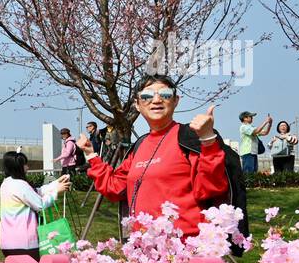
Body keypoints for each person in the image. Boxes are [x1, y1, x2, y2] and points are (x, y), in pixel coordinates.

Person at [77, 75, 231, 238]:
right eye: (146, 96)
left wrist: (207, 139)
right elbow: (114, 187)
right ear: (137, 104)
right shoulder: (139, 146)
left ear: (176, 100)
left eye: (165, 94)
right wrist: (90, 153)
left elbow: (211, 189)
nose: (156, 100)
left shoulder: (189, 138)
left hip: (185, 249)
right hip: (144, 248)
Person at [0, 151, 71, 260]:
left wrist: (56, 184)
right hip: (24, 243)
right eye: (25, 165)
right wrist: (56, 192)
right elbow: (40, 204)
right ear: (18, 167)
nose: (27, 167)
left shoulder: (6, 183)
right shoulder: (20, 185)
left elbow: (35, 192)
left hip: (7, 242)